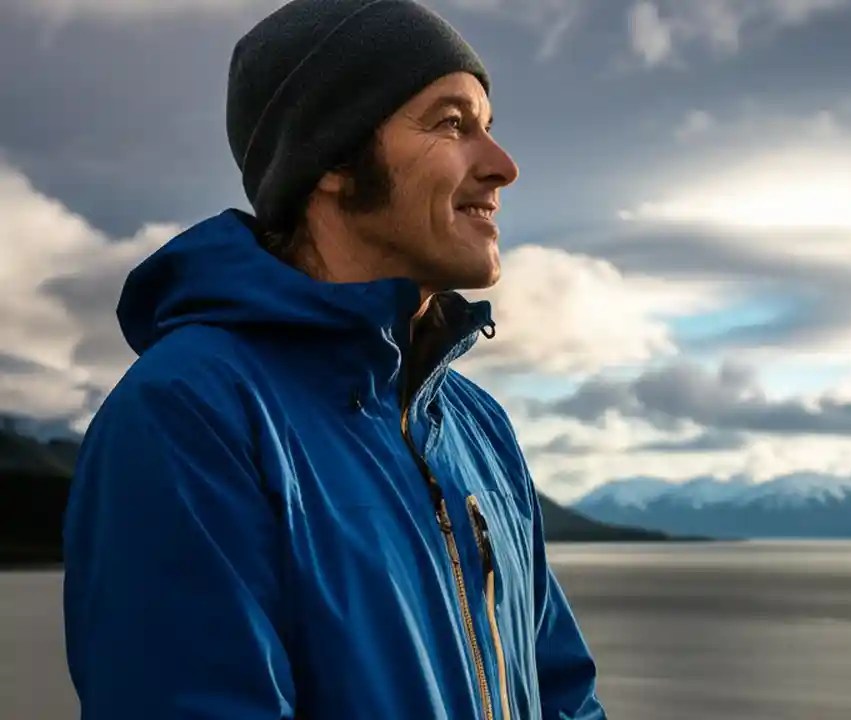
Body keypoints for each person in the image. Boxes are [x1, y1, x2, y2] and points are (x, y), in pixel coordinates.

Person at [61, 1, 606, 718]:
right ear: (332, 162)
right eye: (450, 123)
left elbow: (564, 697)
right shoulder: (191, 414)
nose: (501, 167)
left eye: (488, 128)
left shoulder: (478, 427)